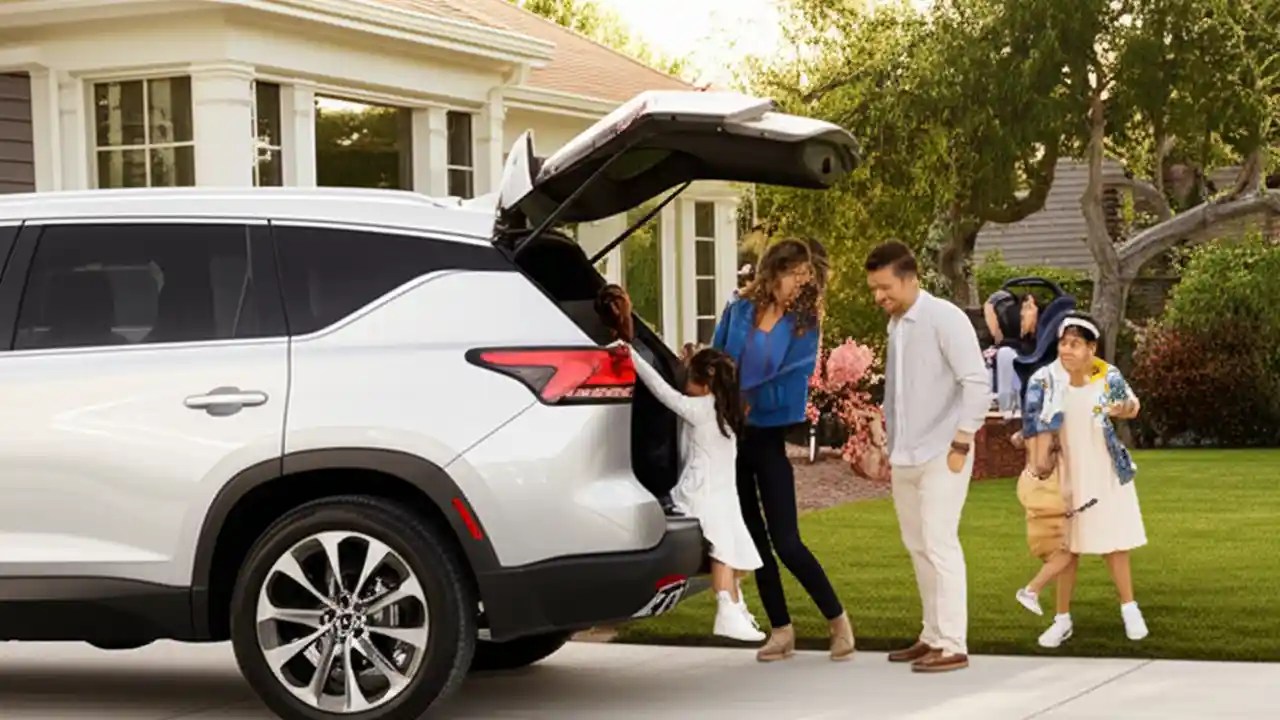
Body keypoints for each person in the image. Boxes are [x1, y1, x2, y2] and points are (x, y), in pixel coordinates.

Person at [712, 238, 854, 663]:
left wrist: (747, 396)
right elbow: (717, 359)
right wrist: (725, 395)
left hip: (768, 435)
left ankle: (838, 621)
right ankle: (781, 630)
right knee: (754, 541)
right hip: (730, 437)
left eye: (805, 277)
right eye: (794, 275)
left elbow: (795, 376)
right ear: (774, 271)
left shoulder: (804, 325)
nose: (800, 283)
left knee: (787, 541)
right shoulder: (738, 309)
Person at [600, 287, 767, 642]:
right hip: (711, 496)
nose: (684, 383)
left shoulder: (701, 410)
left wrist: (631, 356)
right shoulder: (724, 410)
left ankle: (733, 608)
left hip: (709, 494)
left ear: (704, 384)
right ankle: (728, 609)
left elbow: (662, 391)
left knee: (730, 551)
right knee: (726, 551)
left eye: (690, 377)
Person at [866, 240, 989, 674]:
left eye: (885, 287)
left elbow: (976, 382)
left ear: (910, 279)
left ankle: (953, 644)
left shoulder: (945, 318)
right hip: (906, 453)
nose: (879, 296)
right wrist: (888, 443)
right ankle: (932, 635)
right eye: (874, 289)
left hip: (944, 451)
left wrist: (962, 441)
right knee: (918, 546)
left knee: (939, 543)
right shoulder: (896, 325)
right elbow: (899, 392)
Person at [1025, 312, 1149, 648]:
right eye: (1063, 343)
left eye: (1075, 344)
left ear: (1091, 349)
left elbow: (1131, 405)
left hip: (1104, 471)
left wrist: (1123, 408)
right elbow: (1033, 425)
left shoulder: (1107, 375)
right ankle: (1062, 619)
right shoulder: (1047, 381)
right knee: (1067, 548)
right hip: (1066, 476)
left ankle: (1129, 608)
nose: (1067, 350)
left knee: (1115, 544)